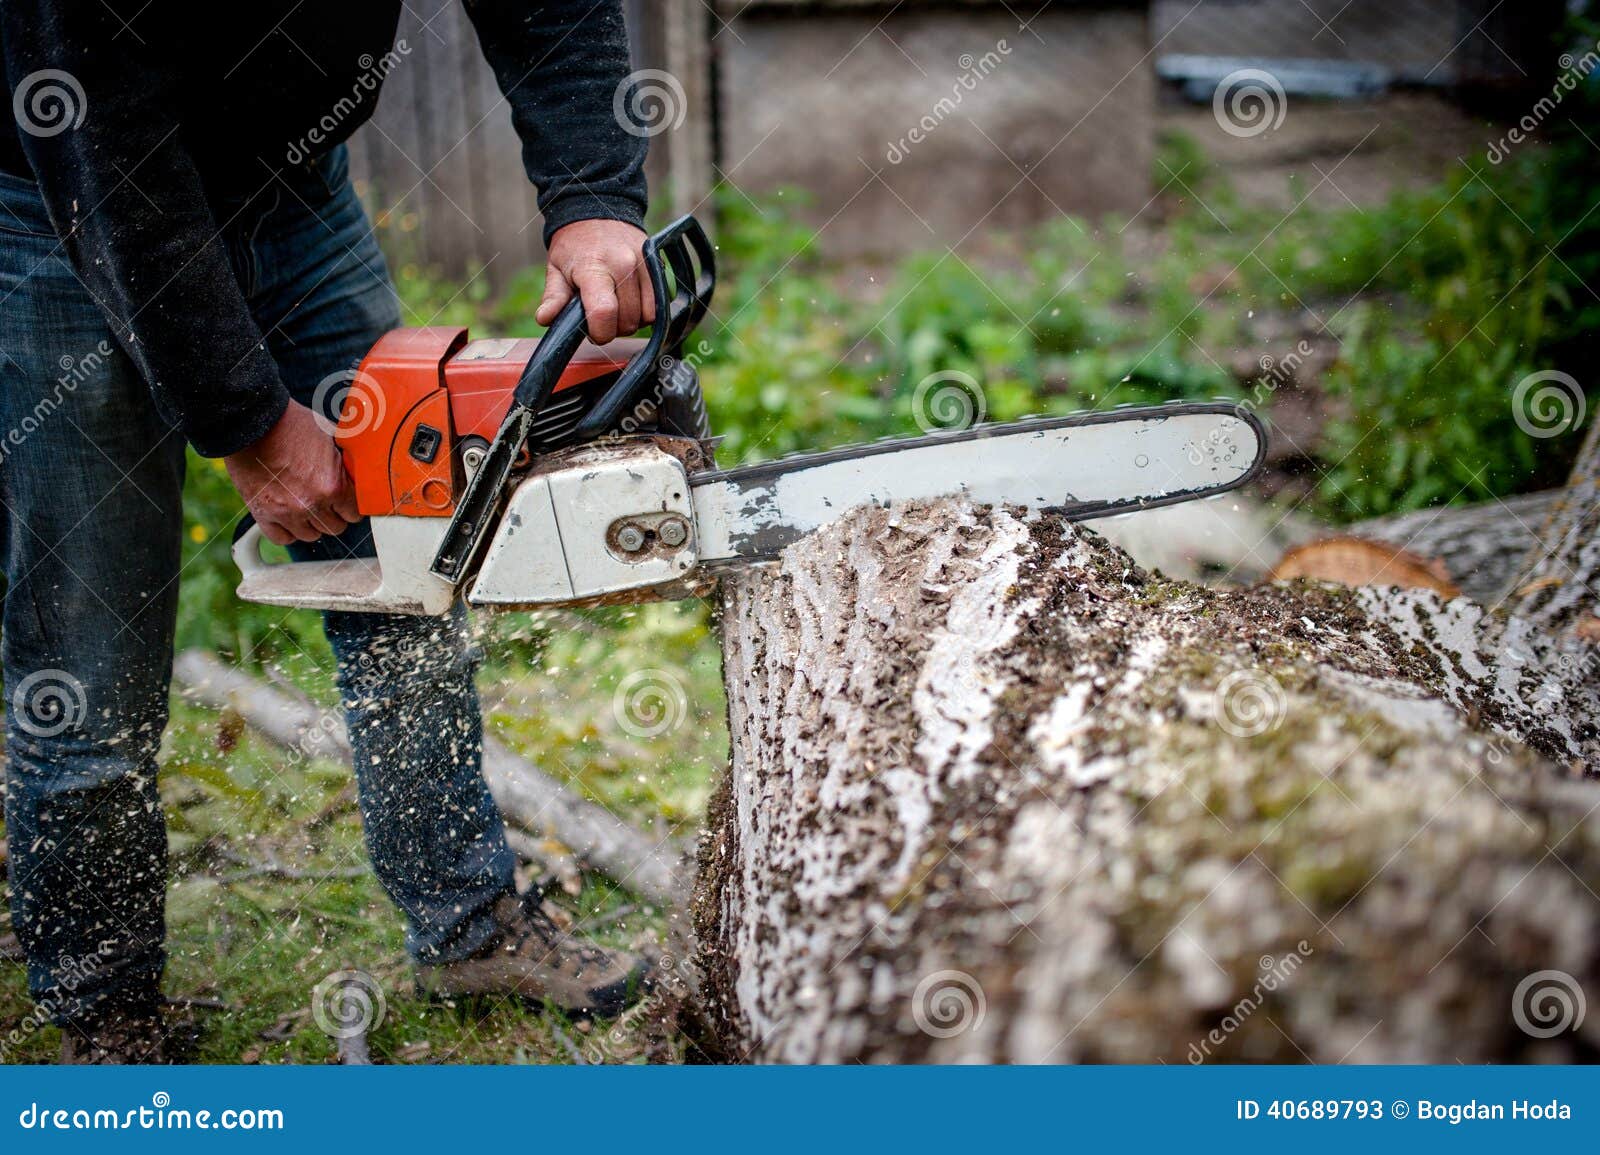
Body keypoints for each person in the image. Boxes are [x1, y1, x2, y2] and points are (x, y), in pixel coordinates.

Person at [0, 1, 659, 1063]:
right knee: (88, 660)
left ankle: (466, 925)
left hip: (295, 193)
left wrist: (592, 197)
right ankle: (105, 1013)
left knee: (405, 572)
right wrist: (247, 424)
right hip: (63, 209)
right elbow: (107, 144)